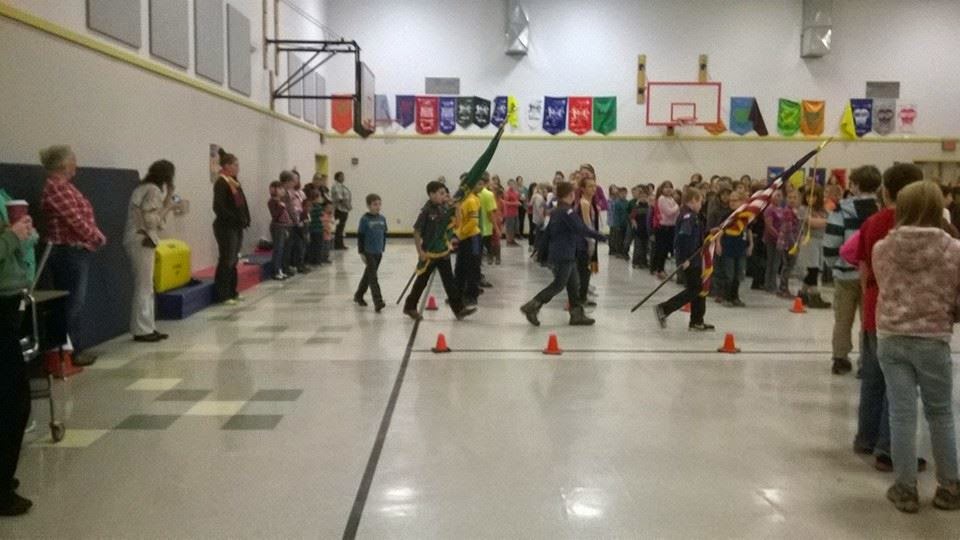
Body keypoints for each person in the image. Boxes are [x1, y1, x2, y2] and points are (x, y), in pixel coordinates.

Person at [873, 180, 960, 513]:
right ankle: (949, 486)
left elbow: (882, 283)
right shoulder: (954, 249)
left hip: (891, 337)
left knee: (902, 414)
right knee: (940, 414)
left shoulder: (883, 248)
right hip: (933, 338)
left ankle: (905, 488)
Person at [854, 163, 924, 473]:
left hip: (873, 306)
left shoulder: (872, 222)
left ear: (886, 191)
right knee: (899, 386)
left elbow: (863, 268)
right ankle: (888, 447)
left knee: (872, 379)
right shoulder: (920, 224)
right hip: (905, 313)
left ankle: (866, 437)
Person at [40, 145, 106, 365]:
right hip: (67, 252)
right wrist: (96, 237)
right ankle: (67, 352)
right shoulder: (56, 188)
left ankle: (72, 349)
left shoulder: (63, 186)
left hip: (75, 251)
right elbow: (75, 220)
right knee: (71, 304)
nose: (76, 165)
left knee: (74, 303)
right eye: (73, 160)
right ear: (63, 164)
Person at [520, 181, 606, 326]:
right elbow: (581, 229)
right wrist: (601, 236)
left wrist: (541, 251)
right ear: (570, 194)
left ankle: (576, 315)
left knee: (573, 284)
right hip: (564, 254)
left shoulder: (556, 211)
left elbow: (547, 233)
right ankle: (532, 305)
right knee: (559, 284)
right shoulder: (567, 212)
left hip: (563, 253)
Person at [823, 165, 881, 375]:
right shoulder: (881, 209)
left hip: (846, 273)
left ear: (855, 185)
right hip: (874, 275)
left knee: (843, 319)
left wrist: (834, 265)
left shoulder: (841, 209)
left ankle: (840, 358)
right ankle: (867, 363)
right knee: (869, 321)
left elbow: (831, 242)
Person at [0, 202, 36, 516]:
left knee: (14, 400)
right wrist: (12, 236)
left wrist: (23, 234)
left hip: (9, 301)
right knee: (12, 402)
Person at [404, 181, 477, 321]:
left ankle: (459, 309)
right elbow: (417, 231)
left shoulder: (444, 208)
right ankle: (410, 307)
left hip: (443, 252)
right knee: (421, 282)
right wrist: (420, 252)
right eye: (441, 193)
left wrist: (456, 208)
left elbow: (457, 223)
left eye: (445, 193)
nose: (444, 196)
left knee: (450, 283)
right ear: (431, 195)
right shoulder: (426, 211)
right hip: (429, 253)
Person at [125, 159, 178, 341]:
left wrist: (169, 195)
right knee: (144, 286)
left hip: (136, 238)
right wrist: (169, 206)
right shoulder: (153, 190)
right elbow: (152, 220)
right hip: (143, 239)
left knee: (145, 285)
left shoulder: (142, 188)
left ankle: (147, 326)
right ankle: (143, 329)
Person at [654, 187, 714, 331]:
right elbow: (682, 239)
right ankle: (664, 309)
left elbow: (697, 236)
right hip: (690, 260)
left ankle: (697, 320)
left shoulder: (693, 216)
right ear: (693, 201)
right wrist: (684, 259)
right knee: (695, 289)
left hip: (696, 259)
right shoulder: (689, 217)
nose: (701, 204)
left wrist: (710, 232)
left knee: (698, 289)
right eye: (700, 201)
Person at [211, 148, 250, 305]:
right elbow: (219, 206)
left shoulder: (234, 181)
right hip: (226, 227)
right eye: (235, 164)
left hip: (236, 226)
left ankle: (233, 291)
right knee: (226, 259)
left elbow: (241, 203)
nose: (237, 167)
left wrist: (246, 218)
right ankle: (223, 294)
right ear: (226, 166)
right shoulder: (222, 182)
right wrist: (234, 219)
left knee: (234, 260)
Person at [796, 186, 831, 309]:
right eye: (808, 196)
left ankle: (802, 294)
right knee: (813, 270)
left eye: (814, 196)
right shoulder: (803, 209)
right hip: (809, 240)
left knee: (815, 269)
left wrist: (824, 220)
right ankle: (815, 296)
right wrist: (826, 221)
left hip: (820, 241)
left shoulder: (822, 210)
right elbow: (811, 222)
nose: (810, 198)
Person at [718, 190, 752, 307]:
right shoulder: (727, 215)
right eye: (730, 200)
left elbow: (748, 230)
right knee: (729, 274)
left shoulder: (744, 215)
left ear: (742, 201)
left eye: (735, 200)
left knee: (739, 274)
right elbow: (720, 231)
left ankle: (735, 296)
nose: (732, 203)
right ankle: (726, 297)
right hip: (728, 247)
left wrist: (750, 244)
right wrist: (718, 243)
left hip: (741, 248)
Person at [354, 194, 387, 312]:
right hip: (368, 251)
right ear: (369, 206)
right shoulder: (365, 219)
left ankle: (358, 295)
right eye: (374, 204)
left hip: (378, 252)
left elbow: (384, 234)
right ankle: (378, 301)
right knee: (373, 277)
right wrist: (361, 252)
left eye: (379, 204)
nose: (377, 207)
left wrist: (383, 247)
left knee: (368, 275)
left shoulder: (382, 219)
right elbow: (360, 236)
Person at [454, 181, 483, 306]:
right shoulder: (462, 201)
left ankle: (472, 295)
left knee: (472, 267)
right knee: (460, 267)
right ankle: (457, 294)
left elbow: (473, 222)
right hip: (464, 237)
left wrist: (461, 234)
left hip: (472, 238)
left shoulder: (471, 201)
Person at [577, 174, 600, 307]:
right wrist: (591, 242)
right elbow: (587, 224)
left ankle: (583, 295)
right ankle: (581, 297)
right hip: (584, 241)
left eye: (594, 186)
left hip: (589, 239)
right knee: (584, 271)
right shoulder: (584, 203)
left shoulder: (591, 203)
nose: (593, 189)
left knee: (586, 270)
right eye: (590, 186)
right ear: (583, 189)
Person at [777, 189, 801, 298]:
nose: (792, 200)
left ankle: (783, 287)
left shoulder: (796, 211)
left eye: (794, 198)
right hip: (788, 242)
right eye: (790, 197)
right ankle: (783, 288)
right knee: (787, 266)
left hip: (794, 241)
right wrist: (794, 244)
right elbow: (789, 229)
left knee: (788, 266)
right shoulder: (787, 211)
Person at [268, 179, 292, 280]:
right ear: (274, 190)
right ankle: (276, 271)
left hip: (283, 226)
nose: (283, 191)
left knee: (282, 249)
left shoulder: (281, 201)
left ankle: (280, 269)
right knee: (278, 249)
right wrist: (281, 207)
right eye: (280, 189)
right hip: (277, 227)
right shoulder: (272, 202)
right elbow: (275, 215)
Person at [762, 189, 785, 293]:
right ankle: (769, 284)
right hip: (771, 239)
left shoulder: (782, 209)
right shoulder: (769, 210)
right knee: (771, 262)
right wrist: (778, 235)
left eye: (780, 196)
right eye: (776, 195)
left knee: (777, 262)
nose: (778, 198)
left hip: (780, 239)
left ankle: (773, 283)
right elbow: (769, 226)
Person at [331, 171, 352, 250]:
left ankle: (340, 243)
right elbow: (339, 198)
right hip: (340, 209)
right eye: (341, 176)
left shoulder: (341, 186)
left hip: (344, 210)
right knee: (339, 227)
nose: (343, 178)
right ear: (337, 177)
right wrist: (347, 205)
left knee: (341, 228)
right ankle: (338, 244)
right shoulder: (336, 186)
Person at [503, 179, 522, 246]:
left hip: (515, 212)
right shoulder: (507, 192)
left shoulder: (515, 192)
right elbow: (505, 202)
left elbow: (517, 199)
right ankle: (509, 241)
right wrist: (515, 203)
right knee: (510, 227)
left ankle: (512, 240)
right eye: (511, 184)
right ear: (508, 184)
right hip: (509, 212)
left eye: (513, 184)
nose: (513, 185)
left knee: (515, 227)